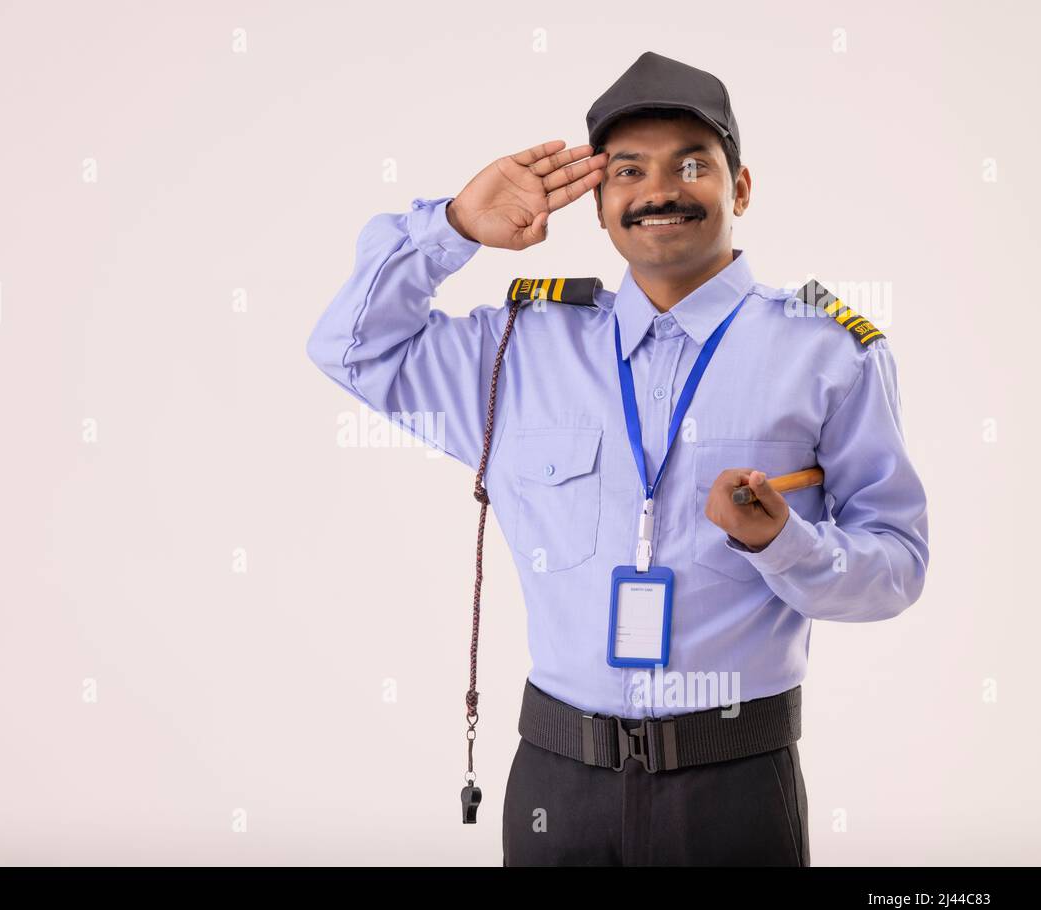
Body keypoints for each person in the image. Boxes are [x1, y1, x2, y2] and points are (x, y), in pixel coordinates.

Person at [305, 51, 929, 865]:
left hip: (736, 782)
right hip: (557, 785)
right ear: (598, 202)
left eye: (692, 165)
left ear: (740, 190)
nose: (659, 190)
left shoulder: (828, 353)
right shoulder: (516, 352)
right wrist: (451, 227)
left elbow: (899, 564)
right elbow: (352, 349)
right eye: (627, 170)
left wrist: (784, 543)